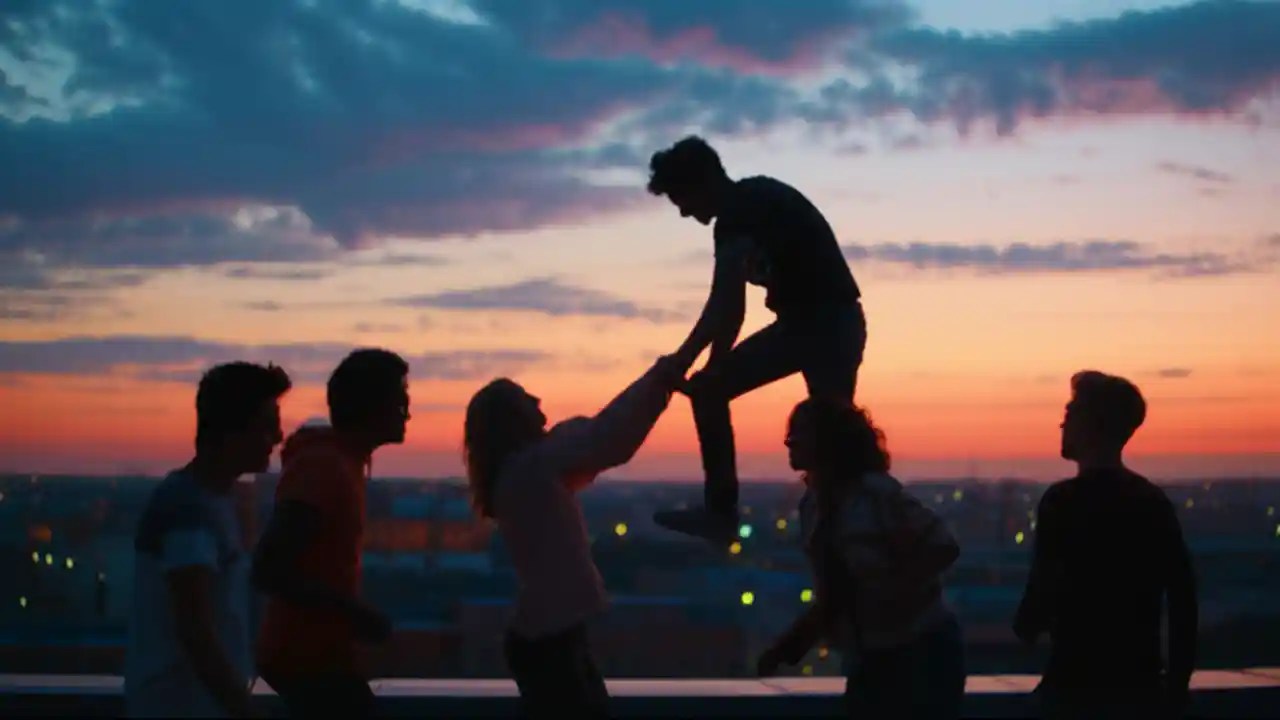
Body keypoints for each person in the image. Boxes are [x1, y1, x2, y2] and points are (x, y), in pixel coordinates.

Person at [646, 135, 867, 543]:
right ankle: (826, 517)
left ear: (701, 183)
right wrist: (707, 369)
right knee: (829, 438)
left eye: (681, 199)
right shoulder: (747, 205)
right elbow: (729, 309)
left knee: (831, 440)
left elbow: (724, 308)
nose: (682, 212)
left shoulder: (742, 211)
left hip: (826, 325)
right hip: (813, 325)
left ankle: (839, 522)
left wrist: (685, 362)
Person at [464, 349, 697, 719]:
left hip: (549, 636)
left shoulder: (523, 474)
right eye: (525, 397)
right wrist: (661, 378)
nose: (537, 399)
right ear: (511, 418)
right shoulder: (530, 468)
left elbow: (602, 438)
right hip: (550, 641)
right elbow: (609, 436)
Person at [758, 398, 965, 719]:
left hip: (919, 655)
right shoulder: (814, 506)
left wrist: (893, 594)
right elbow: (837, 592)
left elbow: (942, 547)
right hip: (874, 657)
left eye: (798, 434)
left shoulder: (876, 496)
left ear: (828, 442)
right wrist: (790, 647)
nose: (789, 442)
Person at [1014, 371, 1198, 719]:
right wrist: (1176, 688)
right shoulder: (1151, 501)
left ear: (1090, 425)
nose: (1061, 425)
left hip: (1072, 686)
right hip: (1138, 687)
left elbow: (1042, 591)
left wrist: (1022, 631)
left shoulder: (1062, 501)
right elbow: (1182, 599)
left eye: (1069, 415)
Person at [125, 362, 292, 718]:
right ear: (232, 430)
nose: (278, 437)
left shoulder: (208, 501)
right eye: (267, 425)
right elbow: (195, 629)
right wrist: (242, 710)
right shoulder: (190, 510)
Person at [252, 349, 411, 717]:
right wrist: (353, 612)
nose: (408, 413)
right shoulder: (324, 467)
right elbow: (269, 567)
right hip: (306, 660)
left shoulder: (341, 462)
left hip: (316, 658)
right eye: (399, 402)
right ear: (372, 405)